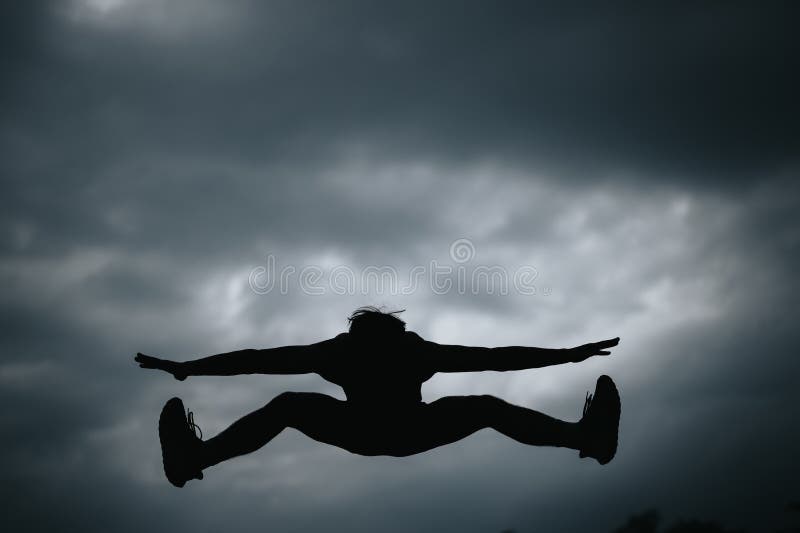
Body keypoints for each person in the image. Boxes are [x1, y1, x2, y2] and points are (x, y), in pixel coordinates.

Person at [135, 307, 621, 488]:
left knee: (289, 404)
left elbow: (256, 359)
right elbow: (497, 358)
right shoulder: (404, 350)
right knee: (485, 407)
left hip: (364, 432)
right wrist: (566, 355)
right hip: (410, 430)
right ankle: (583, 438)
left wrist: (188, 367)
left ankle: (197, 458)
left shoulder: (350, 351)